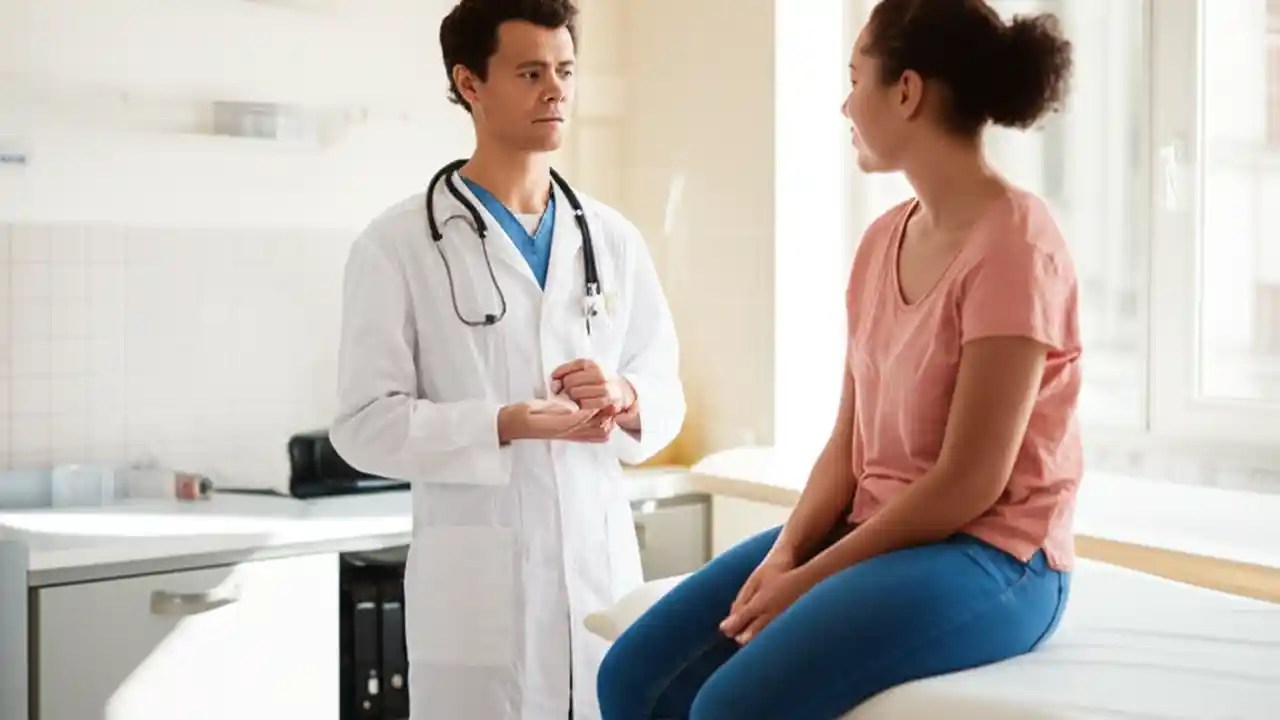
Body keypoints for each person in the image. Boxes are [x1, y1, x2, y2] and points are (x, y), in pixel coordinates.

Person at [596, 0, 1079, 717]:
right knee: (630, 679)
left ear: (907, 91)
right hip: (878, 527)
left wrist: (813, 577)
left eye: (856, 78)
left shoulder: (1016, 244)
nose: (845, 102)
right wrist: (786, 554)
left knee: (729, 708)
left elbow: (968, 484)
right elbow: (848, 448)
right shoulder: (883, 239)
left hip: (993, 554)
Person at [330, 0, 685, 717]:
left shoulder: (612, 239)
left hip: (598, 574)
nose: (555, 90)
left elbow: (666, 394)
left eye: (565, 70)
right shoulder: (397, 244)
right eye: (529, 72)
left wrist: (626, 394)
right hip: (478, 597)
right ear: (470, 83)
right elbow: (363, 425)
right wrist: (502, 422)